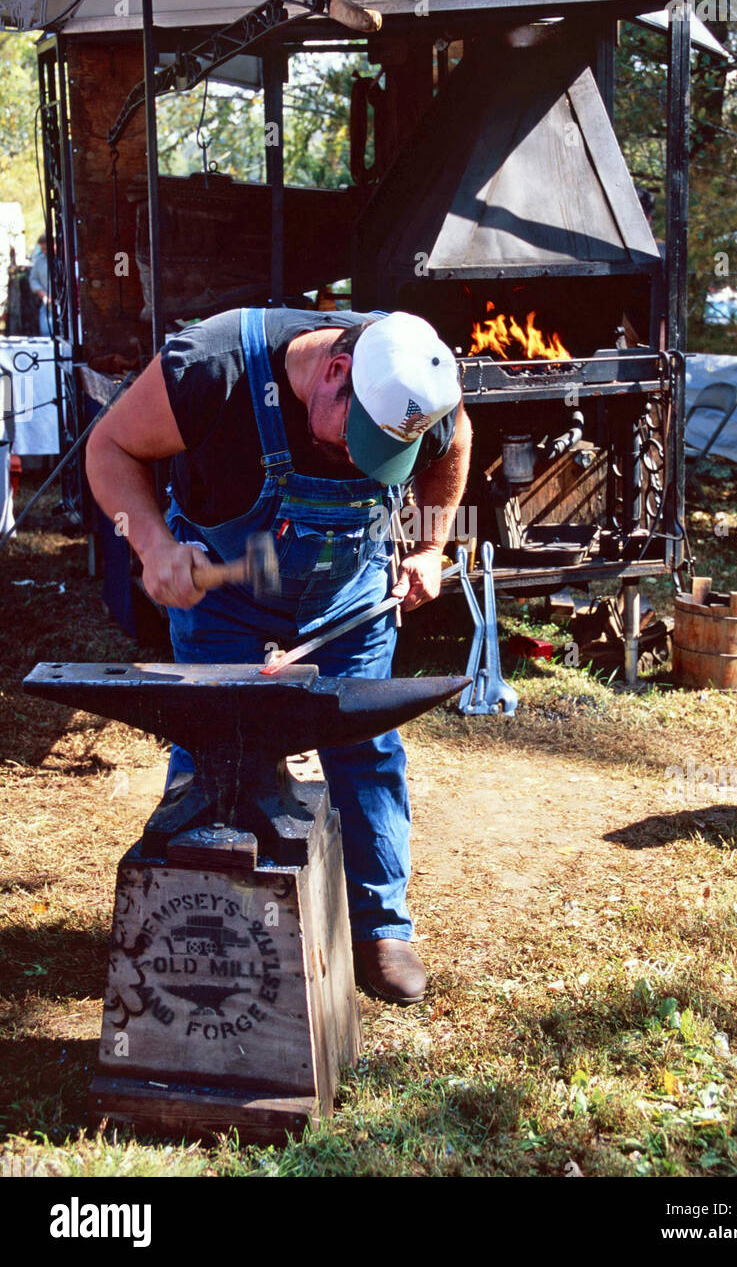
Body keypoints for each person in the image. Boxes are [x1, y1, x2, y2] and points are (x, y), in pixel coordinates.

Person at [85, 307, 472, 1004]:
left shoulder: (420, 379)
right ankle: (202, 917)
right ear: (334, 372)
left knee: (367, 751)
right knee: (211, 746)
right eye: (359, 438)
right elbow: (109, 448)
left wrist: (429, 545)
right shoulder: (212, 367)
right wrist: (150, 544)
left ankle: (380, 927)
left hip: (349, 603)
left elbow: (456, 441)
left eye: (385, 449)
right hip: (222, 600)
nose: (364, 460)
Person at [29, 234, 51, 336]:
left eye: (46, 248)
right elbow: (33, 279)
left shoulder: (65, 259)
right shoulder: (39, 261)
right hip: (47, 305)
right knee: (46, 331)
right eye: (42, 249)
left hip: (66, 306)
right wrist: (40, 291)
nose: (44, 251)